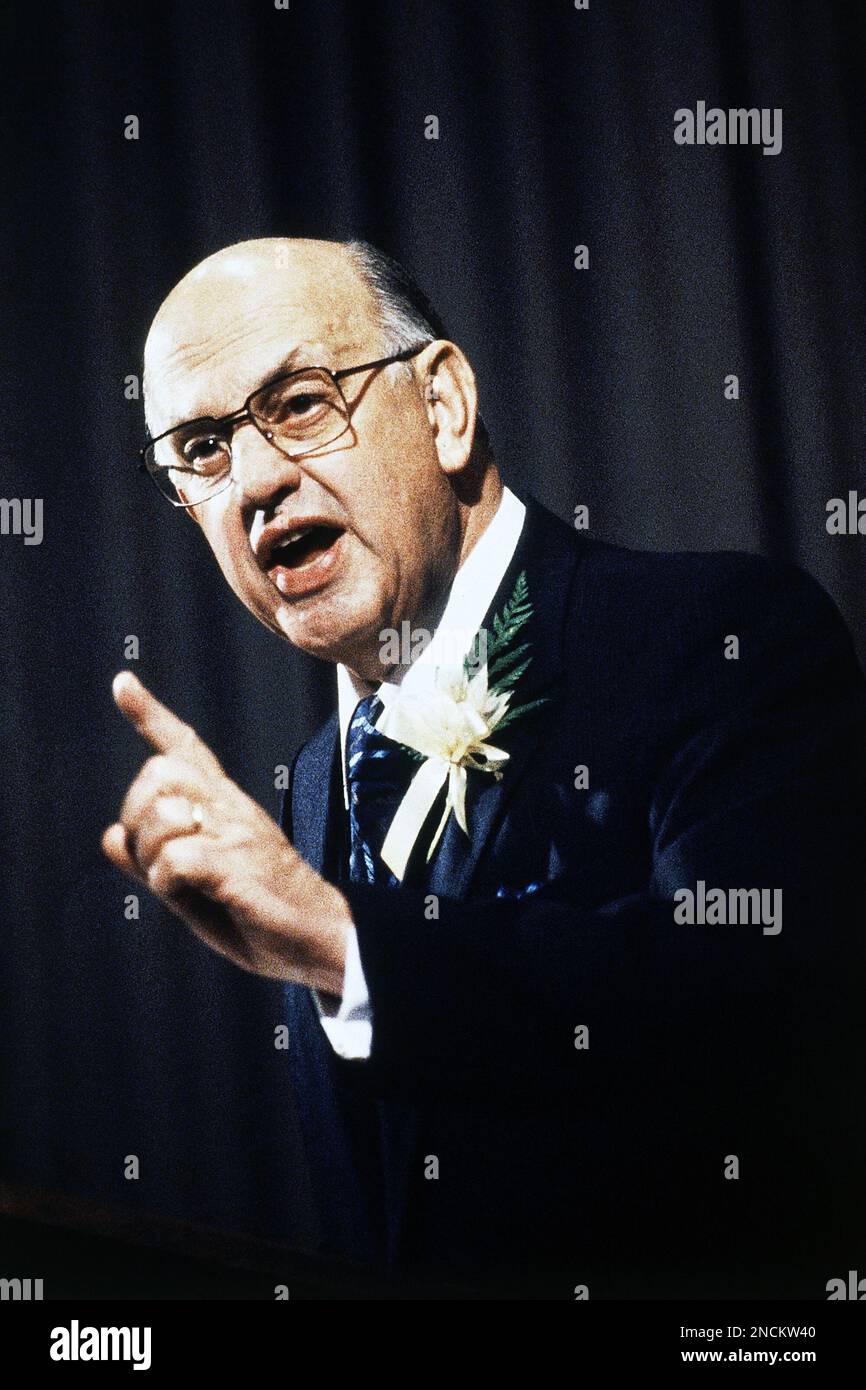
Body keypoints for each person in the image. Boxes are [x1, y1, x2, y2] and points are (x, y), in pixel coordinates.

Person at [104, 237, 866, 1298]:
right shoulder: (314, 782)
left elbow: (749, 1007)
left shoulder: (718, 636)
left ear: (446, 405)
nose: (257, 481)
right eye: (200, 446)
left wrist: (342, 943)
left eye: (300, 403)